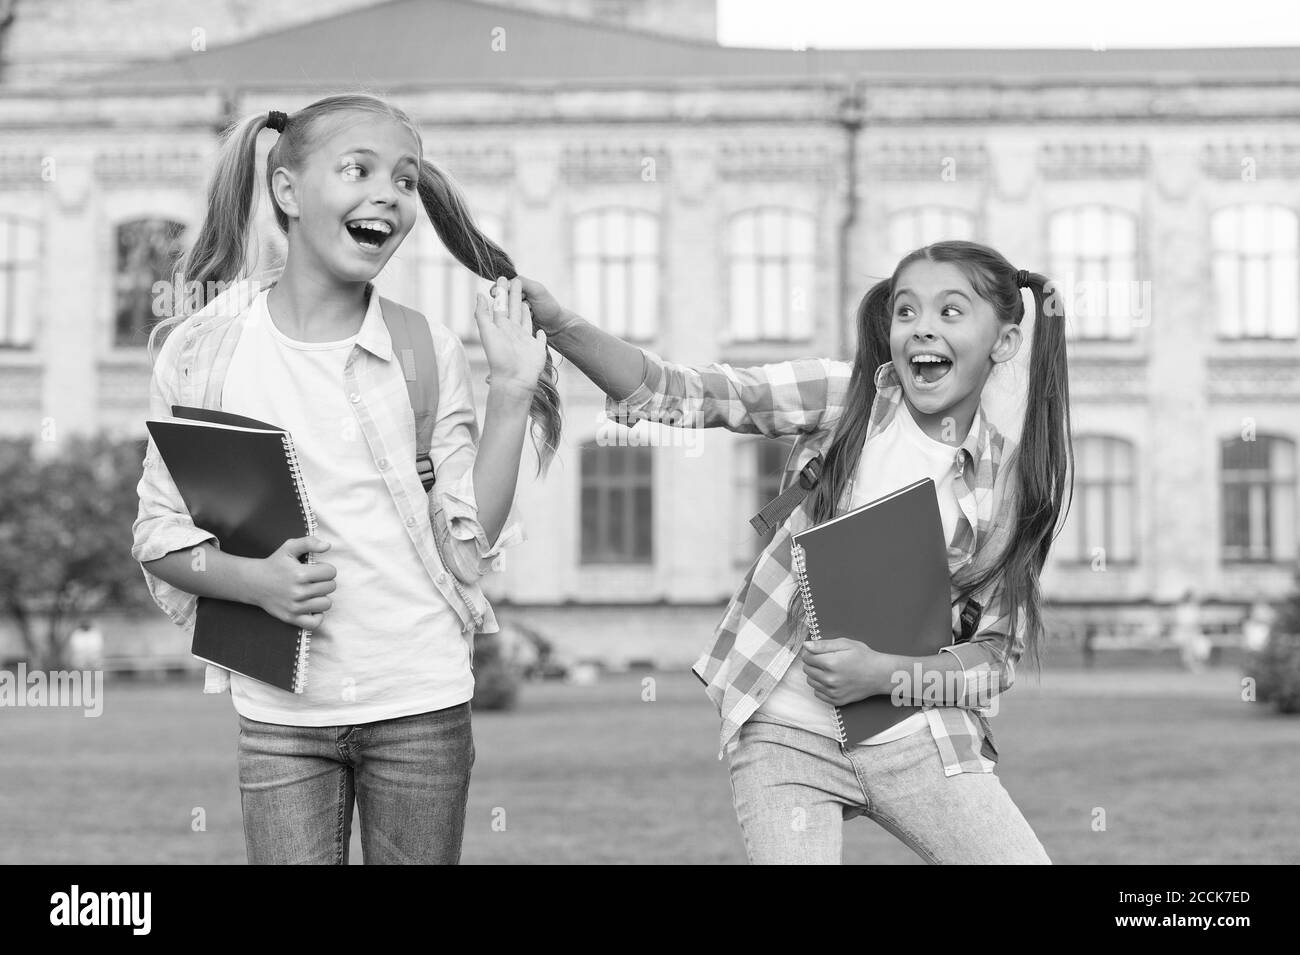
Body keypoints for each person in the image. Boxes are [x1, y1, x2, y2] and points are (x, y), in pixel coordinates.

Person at [520, 239, 1072, 864]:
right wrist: (562, 325)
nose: (922, 329)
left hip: (923, 739)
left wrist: (880, 675)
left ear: (1003, 342)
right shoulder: (845, 401)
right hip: (784, 734)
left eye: (951, 312)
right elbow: (689, 394)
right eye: (906, 311)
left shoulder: (1008, 485)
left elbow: (992, 661)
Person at [131, 94, 560, 864]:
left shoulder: (425, 350)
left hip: (421, 707)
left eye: (404, 180)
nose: (387, 196)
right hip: (279, 719)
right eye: (357, 170)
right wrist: (252, 581)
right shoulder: (201, 355)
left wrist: (513, 395)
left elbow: (468, 550)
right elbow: (160, 538)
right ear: (287, 192)